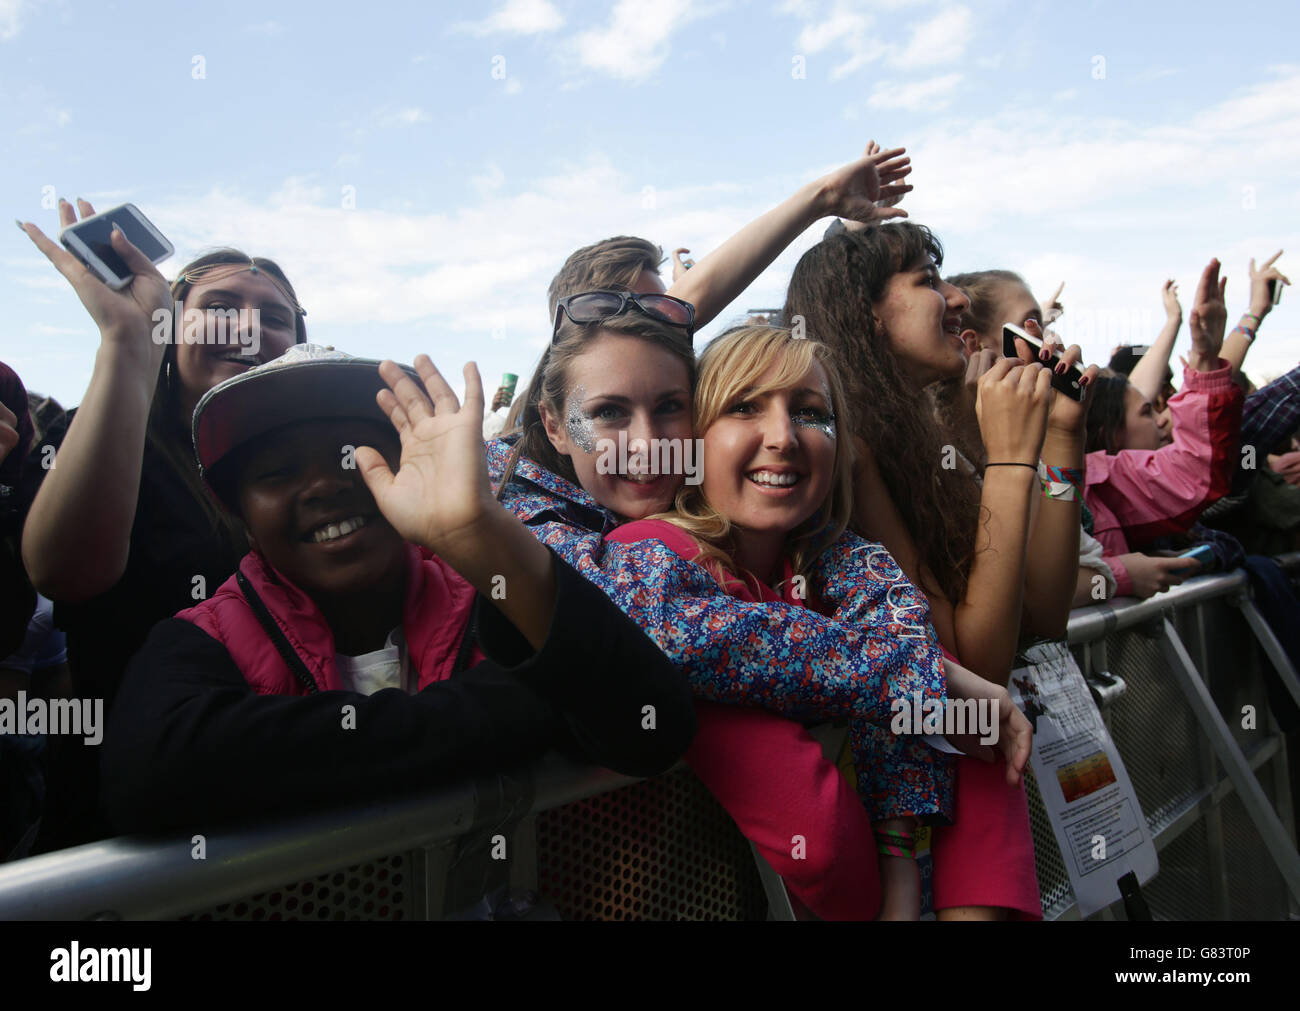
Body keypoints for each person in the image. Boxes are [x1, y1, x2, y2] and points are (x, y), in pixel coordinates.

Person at [101, 345, 696, 833]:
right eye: (276, 472)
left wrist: (483, 533)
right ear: (239, 512)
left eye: (355, 458)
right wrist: (513, 709)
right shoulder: (199, 640)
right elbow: (152, 776)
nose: (322, 487)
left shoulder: (492, 598)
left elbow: (652, 728)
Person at [607, 325, 985, 919]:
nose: (783, 437)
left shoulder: (846, 572)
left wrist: (899, 861)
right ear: (692, 441)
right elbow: (819, 841)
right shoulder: (647, 556)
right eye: (743, 407)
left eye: (810, 412)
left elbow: (980, 738)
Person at [785, 222, 1086, 919]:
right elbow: (975, 656)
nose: (955, 298)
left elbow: (1044, 612)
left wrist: (1061, 440)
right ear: (867, 314)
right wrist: (1011, 461)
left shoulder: (921, 437)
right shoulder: (847, 451)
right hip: (884, 836)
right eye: (926, 280)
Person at [17, 198, 305, 846]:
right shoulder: (116, 441)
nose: (248, 328)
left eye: (276, 318)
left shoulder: (327, 467)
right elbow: (66, 569)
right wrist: (126, 341)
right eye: (221, 307)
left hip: (298, 802)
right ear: (171, 328)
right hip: (135, 834)